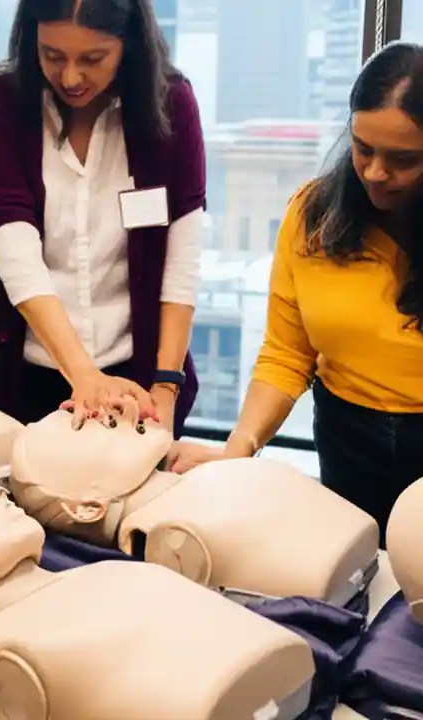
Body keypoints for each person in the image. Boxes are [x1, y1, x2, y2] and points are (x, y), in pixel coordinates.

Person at [169, 42, 423, 545]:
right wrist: (235, 452)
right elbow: (287, 353)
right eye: (363, 148)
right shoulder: (313, 216)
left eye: (402, 160)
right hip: (349, 436)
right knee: (355, 583)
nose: (374, 172)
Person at [0, 0, 205, 435]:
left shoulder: (171, 105)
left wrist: (165, 390)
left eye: (92, 59)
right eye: (52, 55)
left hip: (142, 379)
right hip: (27, 372)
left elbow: (182, 260)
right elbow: (14, 251)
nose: (71, 77)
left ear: (129, 44)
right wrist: (85, 378)